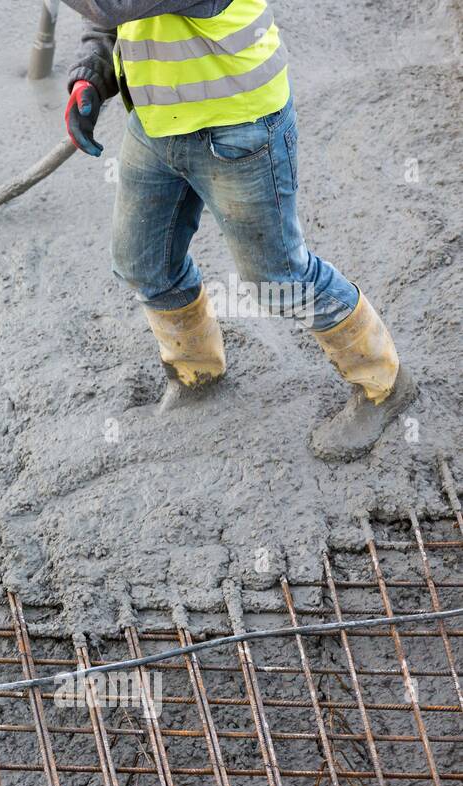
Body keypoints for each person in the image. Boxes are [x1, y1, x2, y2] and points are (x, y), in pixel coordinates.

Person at [60, 0, 416, 461]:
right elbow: (115, 17)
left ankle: (384, 385)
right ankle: (195, 374)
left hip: (240, 129)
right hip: (155, 122)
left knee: (281, 281)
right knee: (142, 262)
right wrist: (92, 72)